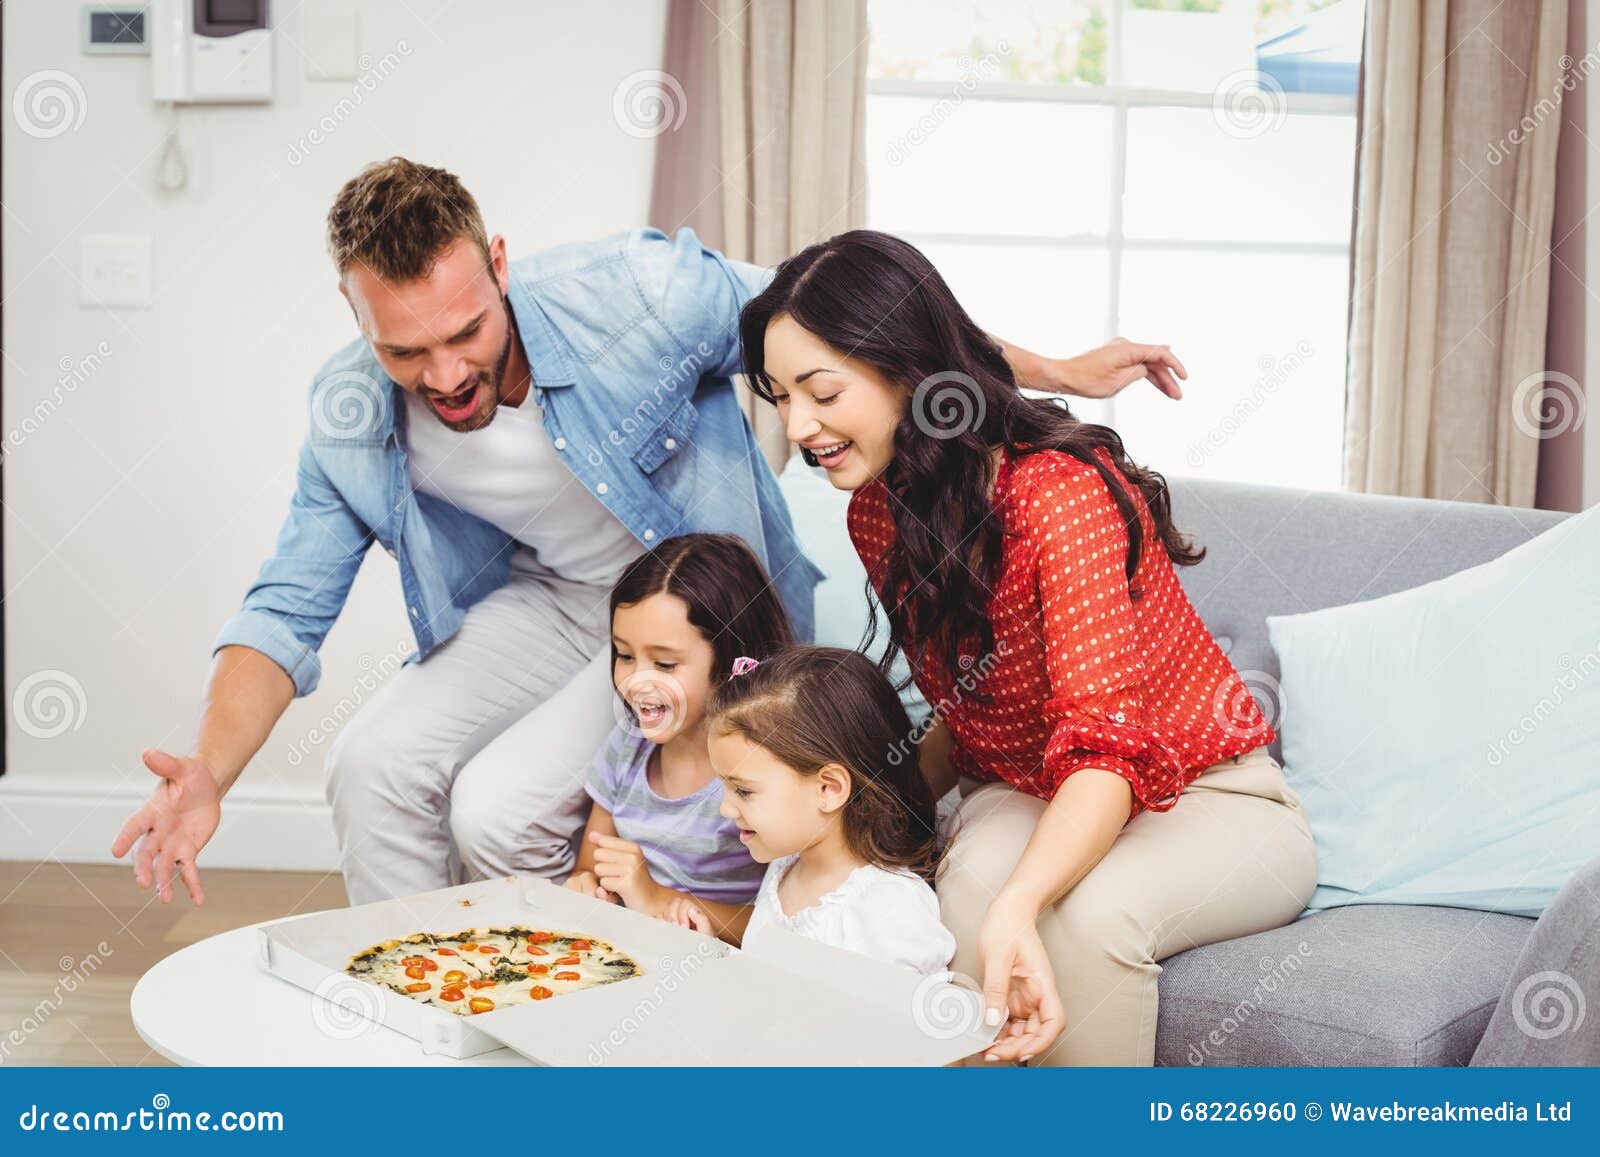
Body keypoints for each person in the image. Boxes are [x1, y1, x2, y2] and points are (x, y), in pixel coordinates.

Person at [111, 155, 1190, 909]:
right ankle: (424, 1048)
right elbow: (286, 603)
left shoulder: (635, 293)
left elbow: (847, 324)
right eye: (403, 352)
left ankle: (553, 1039)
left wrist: (1051, 368)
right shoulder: (348, 413)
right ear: (354, 315)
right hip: (544, 601)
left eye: (465, 331)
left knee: (496, 813)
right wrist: (210, 769)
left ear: (498, 261)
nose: (444, 374)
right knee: (369, 761)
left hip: (699, 614)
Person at [736, 229, 1317, 1066]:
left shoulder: (1061, 497)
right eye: (782, 396)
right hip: (1032, 783)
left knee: (1086, 916)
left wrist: (1021, 902)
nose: (797, 425)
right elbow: (963, 710)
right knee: (966, 891)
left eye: (821, 392)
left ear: (905, 370)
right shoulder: (879, 508)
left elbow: (1105, 753)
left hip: (1214, 796)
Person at [564, 534, 793, 944]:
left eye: (665, 663)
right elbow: (589, 867)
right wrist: (586, 886)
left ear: (729, 660)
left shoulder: (765, 768)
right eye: (624, 655)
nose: (637, 680)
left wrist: (655, 898)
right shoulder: (627, 747)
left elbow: (785, 928)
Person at [676, 646, 955, 979]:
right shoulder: (785, 867)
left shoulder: (889, 908)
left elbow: (917, 1022)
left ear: (829, 789)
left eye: (744, 791)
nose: (725, 808)